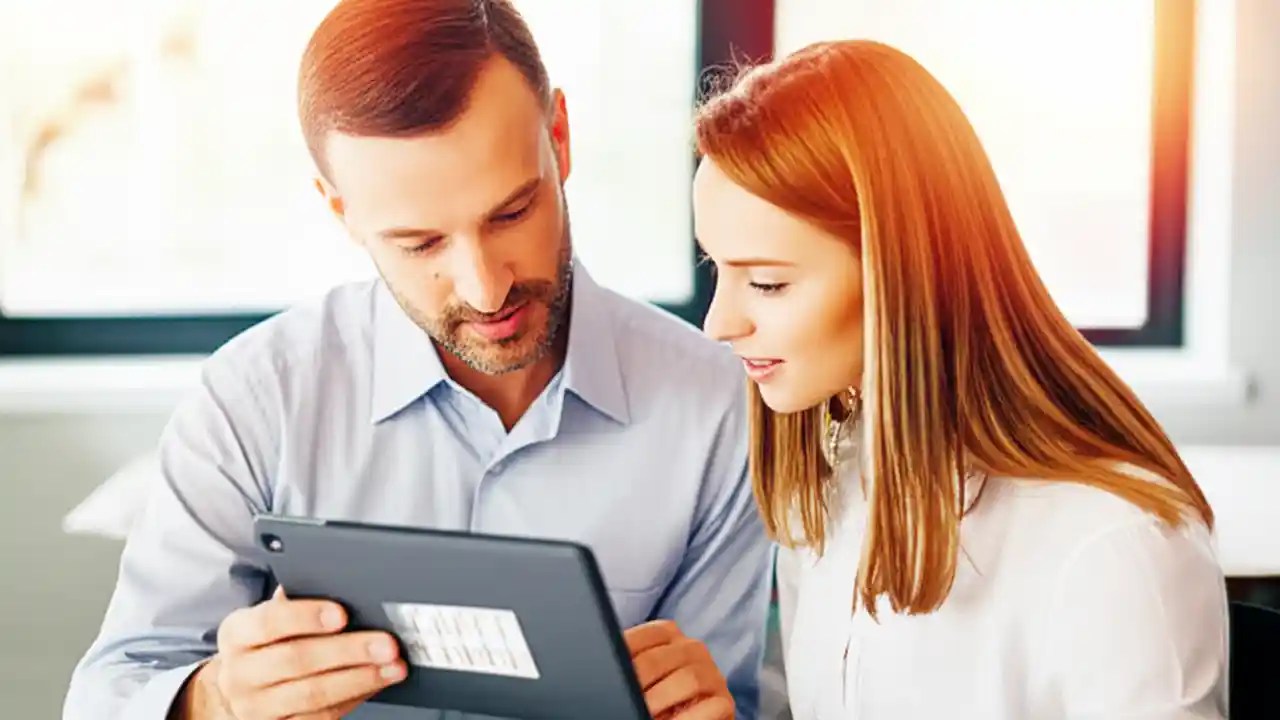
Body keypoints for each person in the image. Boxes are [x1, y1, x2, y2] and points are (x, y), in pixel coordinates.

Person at [62, 2, 771, 719]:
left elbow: (727, 700)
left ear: (558, 137)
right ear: (341, 212)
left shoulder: (717, 407)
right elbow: (107, 692)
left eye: (512, 212)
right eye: (419, 244)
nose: (485, 287)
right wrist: (214, 700)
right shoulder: (256, 399)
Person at [691, 40, 1229, 719]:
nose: (718, 323)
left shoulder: (1113, 545)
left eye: (767, 283)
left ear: (900, 276)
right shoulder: (829, 485)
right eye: (718, 269)